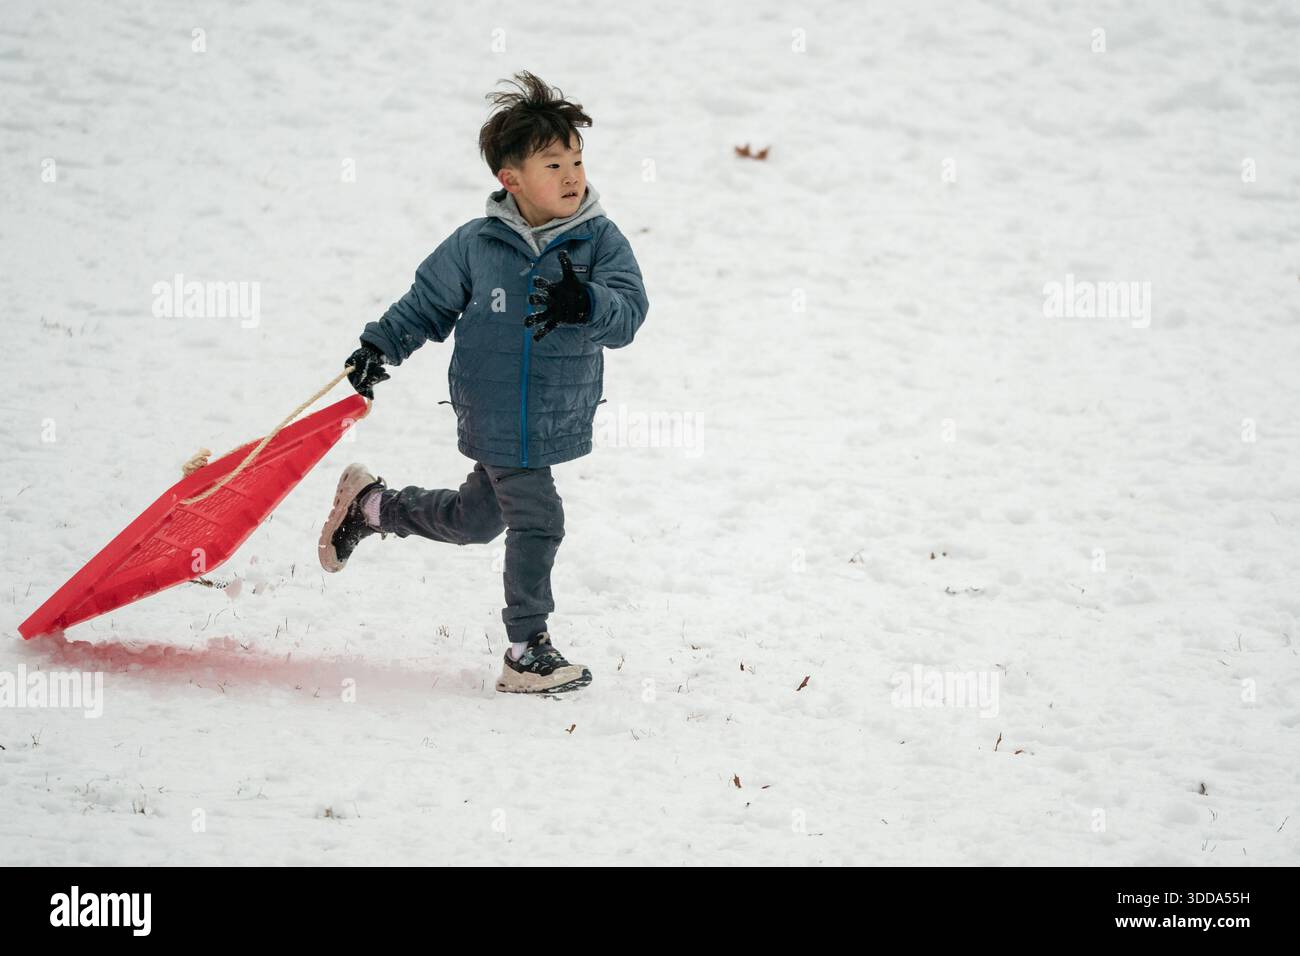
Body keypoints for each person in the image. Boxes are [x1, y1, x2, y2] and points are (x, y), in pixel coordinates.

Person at [318, 70, 649, 695]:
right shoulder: (477, 245)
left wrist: (588, 303)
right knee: (539, 518)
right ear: (511, 179)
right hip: (495, 409)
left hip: (554, 414)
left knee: (477, 519)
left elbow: (630, 312)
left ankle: (370, 506)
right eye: (554, 164)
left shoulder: (599, 241)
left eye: (577, 160)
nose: (573, 175)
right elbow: (426, 304)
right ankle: (527, 649)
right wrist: (377, 347)